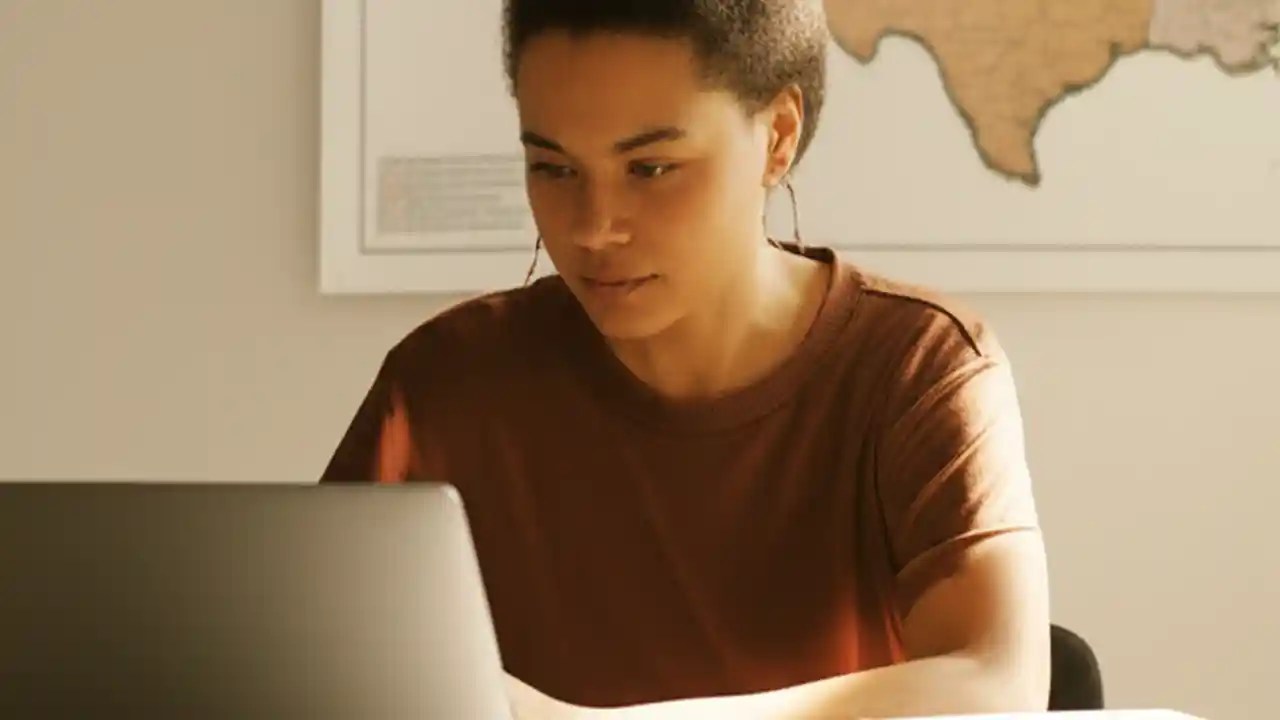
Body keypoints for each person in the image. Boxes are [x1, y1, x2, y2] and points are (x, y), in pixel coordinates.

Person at [320, 1, 1051, 717]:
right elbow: (295, 661)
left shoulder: (920, 369)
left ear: (778, 137)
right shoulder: (447, 380)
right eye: (553, 168)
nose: (595, 228)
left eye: (651, 168)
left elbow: (995, 682)